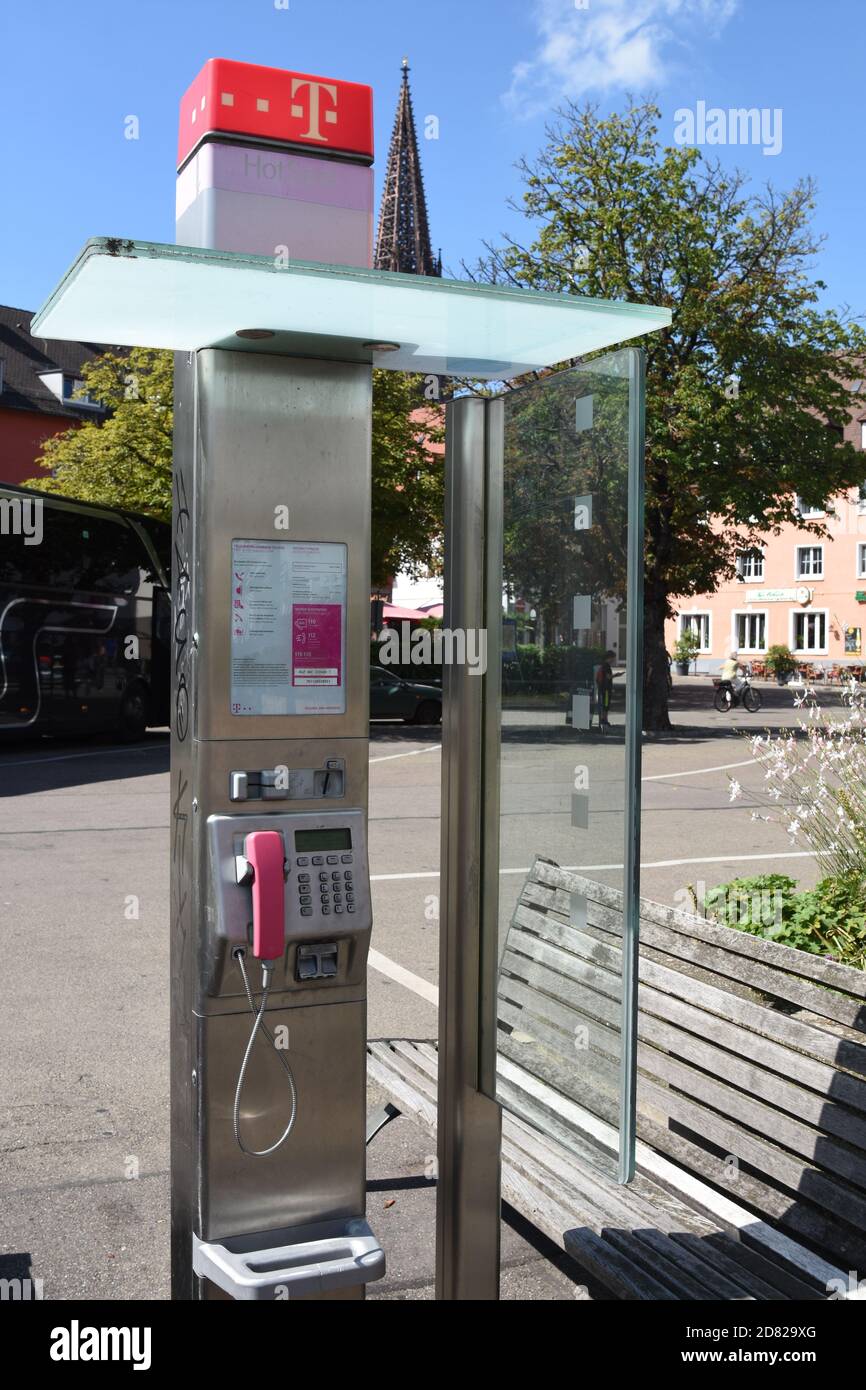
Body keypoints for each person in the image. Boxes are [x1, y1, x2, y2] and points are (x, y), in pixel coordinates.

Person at [595, 650, 615, 729]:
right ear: (609, 658)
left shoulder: (603, 665)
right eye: (613, 658)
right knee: (606, 704)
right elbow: (608, 677)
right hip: (606, 689)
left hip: (602, 688)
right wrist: (617, 675)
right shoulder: (606, 666)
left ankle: (604, 719)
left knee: (605, 703)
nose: (614, 660)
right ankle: (604, 719)